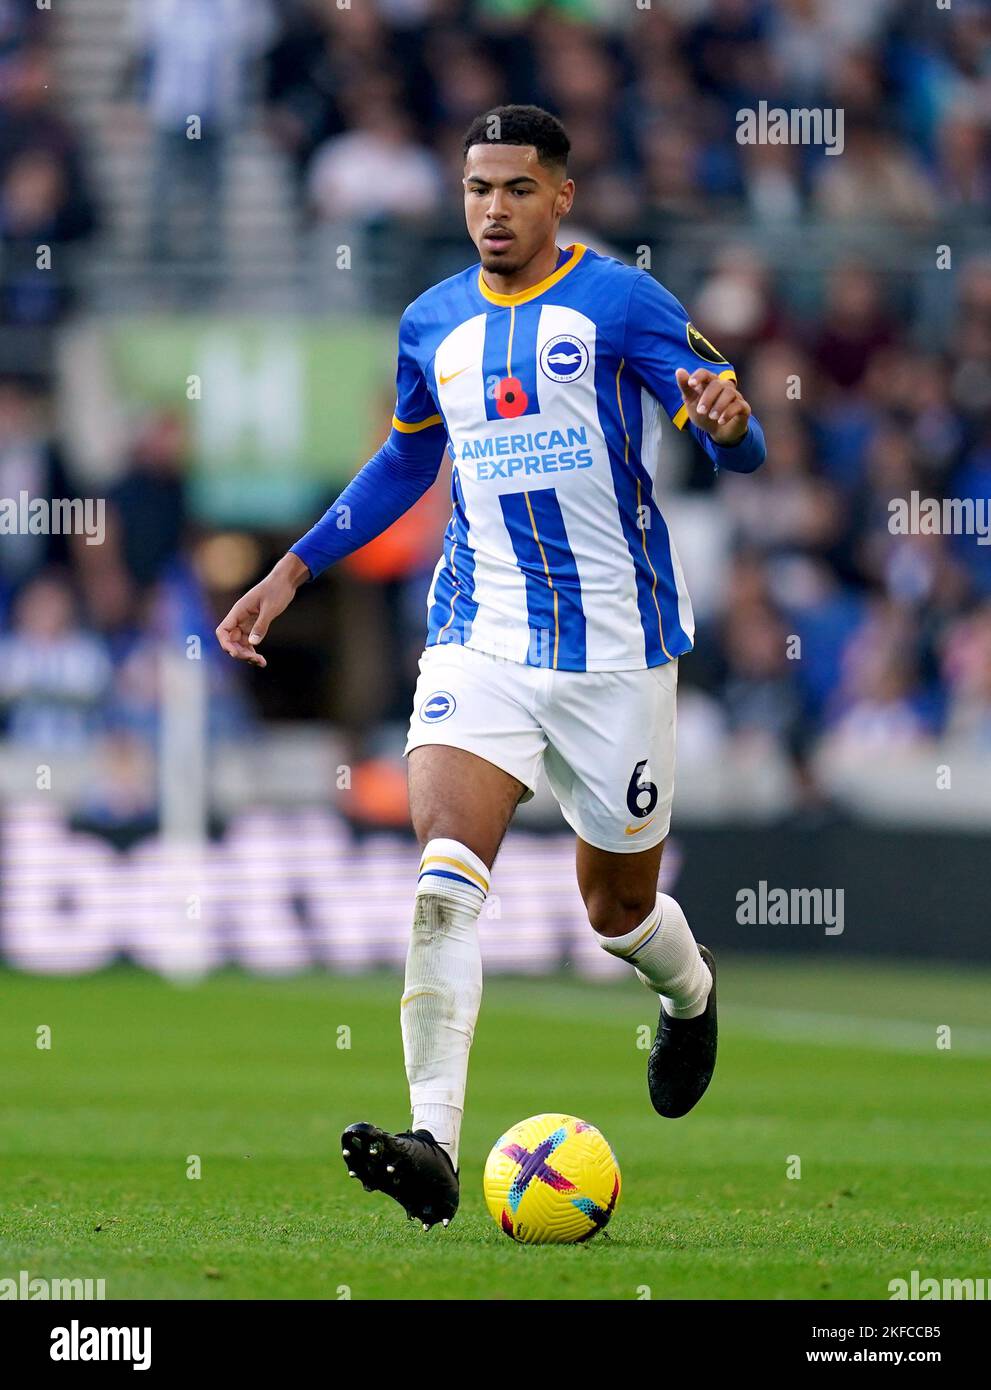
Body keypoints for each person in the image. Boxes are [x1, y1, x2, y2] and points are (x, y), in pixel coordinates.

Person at [216, 105, 766, 1231]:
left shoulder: (621, 300)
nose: (493, 210)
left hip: (617, 649)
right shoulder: (432, 323)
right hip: (481, 636)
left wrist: (726, 418)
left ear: (560, 196)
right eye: (476, 189)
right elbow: (407, 458)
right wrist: (295, 567)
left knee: (616, 911)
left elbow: (736, 432)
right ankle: (434, 1144)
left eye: (517, 188)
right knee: (442, 879)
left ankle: (689, 990)